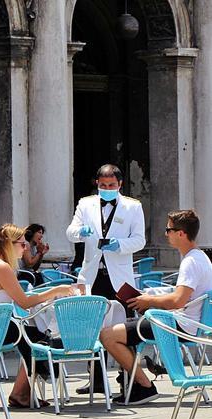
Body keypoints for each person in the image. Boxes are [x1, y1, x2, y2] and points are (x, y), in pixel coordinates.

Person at [99, 209, 212, 405]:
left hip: (177, 325)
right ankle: (134, 384)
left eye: (168, 229)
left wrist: (148, 302)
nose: (166, 234)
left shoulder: (191, 262)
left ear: (181, 233)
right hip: (181, 321)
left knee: (107, 336)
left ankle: (144, 386)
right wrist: (149, 297)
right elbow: (183, 295)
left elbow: (178, 301)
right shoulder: (199, 257)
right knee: (125, 329)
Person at [0, 224, 73, 408]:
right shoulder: (1, 267)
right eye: (22, 244)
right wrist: (56, 290)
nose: (26, 248)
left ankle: (21, 392)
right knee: (38, 339)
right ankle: (20, 393)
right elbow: (24, 302)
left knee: (35, 335)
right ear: (10, 245)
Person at [66, 164, 145, 394]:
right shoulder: (85, 203)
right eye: (103, 186)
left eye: (111, 185)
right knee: (91, 326)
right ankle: (96, 378)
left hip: (121, 277)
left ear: (120, 185)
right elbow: (70, 231)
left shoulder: (133, 206)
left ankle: (129, 378)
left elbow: (139, 240)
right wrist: (81, 233)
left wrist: (119, 245)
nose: (107, 189)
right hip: (92, 274)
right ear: (97, 185)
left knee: (126, 326)